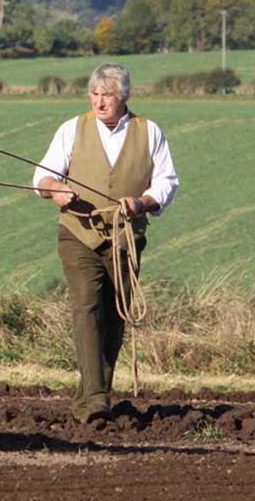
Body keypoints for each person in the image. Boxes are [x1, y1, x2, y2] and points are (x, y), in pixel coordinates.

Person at [34, 62, 179, 423]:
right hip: (78, 234)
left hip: (126, 238)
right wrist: (55, 189)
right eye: (94, 94)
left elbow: (167, 181)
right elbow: (43, 176)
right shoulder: (71, 129)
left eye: (107, 95)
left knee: (116, 316)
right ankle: (97, 400)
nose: (99, 102)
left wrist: (141, 202)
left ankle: (89, 397)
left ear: (124, 96)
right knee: (87, 308)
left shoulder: (150, 132)